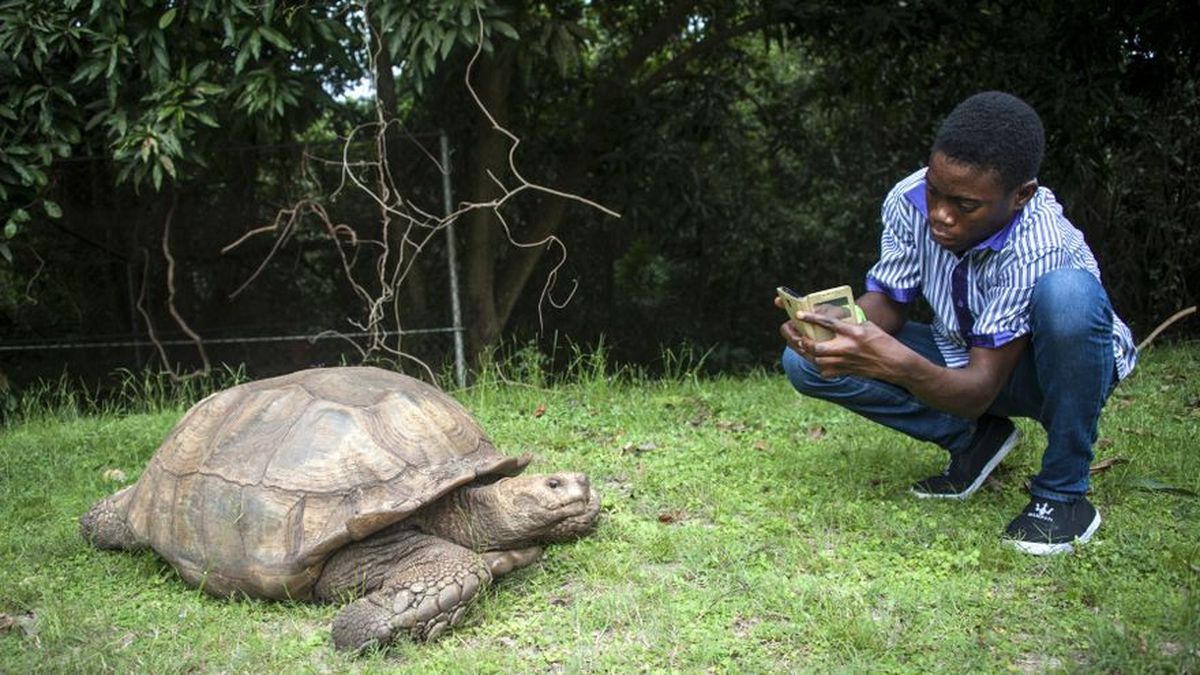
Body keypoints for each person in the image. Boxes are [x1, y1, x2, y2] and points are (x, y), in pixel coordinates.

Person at [778, 91, 1137, 555]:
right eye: (935, 191)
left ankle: (1063, 495)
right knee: (807, 361)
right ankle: (975, 440)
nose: (940, 215)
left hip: (1059, 374)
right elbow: (889, 299)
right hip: (967, 356)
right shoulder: (910, 200)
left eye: (965, 206)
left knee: (1068, 294)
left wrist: (895, 363)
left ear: (1021, 195)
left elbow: (978, 390)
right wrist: (842, 323)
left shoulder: (1041, 243)